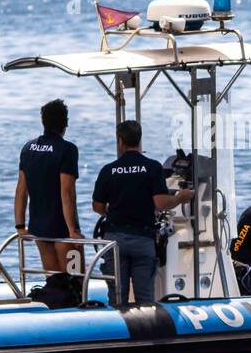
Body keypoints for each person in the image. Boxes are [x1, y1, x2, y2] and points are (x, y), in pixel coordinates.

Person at [92, 120, 192, 305]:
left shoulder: (108, 170)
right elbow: (161, 203)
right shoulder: (152, 168)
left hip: (115, 240)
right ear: (139, 141)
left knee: (117, 298)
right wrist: (180, 197)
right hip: (142, 239)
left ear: (120, 141)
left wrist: (114, 211)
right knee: (145, 300)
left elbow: (97, 207)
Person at [14, 99, 83, 276]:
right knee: (75, 280)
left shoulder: (28, 148)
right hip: (62, 229)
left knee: (54, 281)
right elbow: (67, 192)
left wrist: (20, 226)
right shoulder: (67, 149)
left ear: (43, 122)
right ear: (65, 123)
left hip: (39, 228)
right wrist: (73, 231)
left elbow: (21, 190)